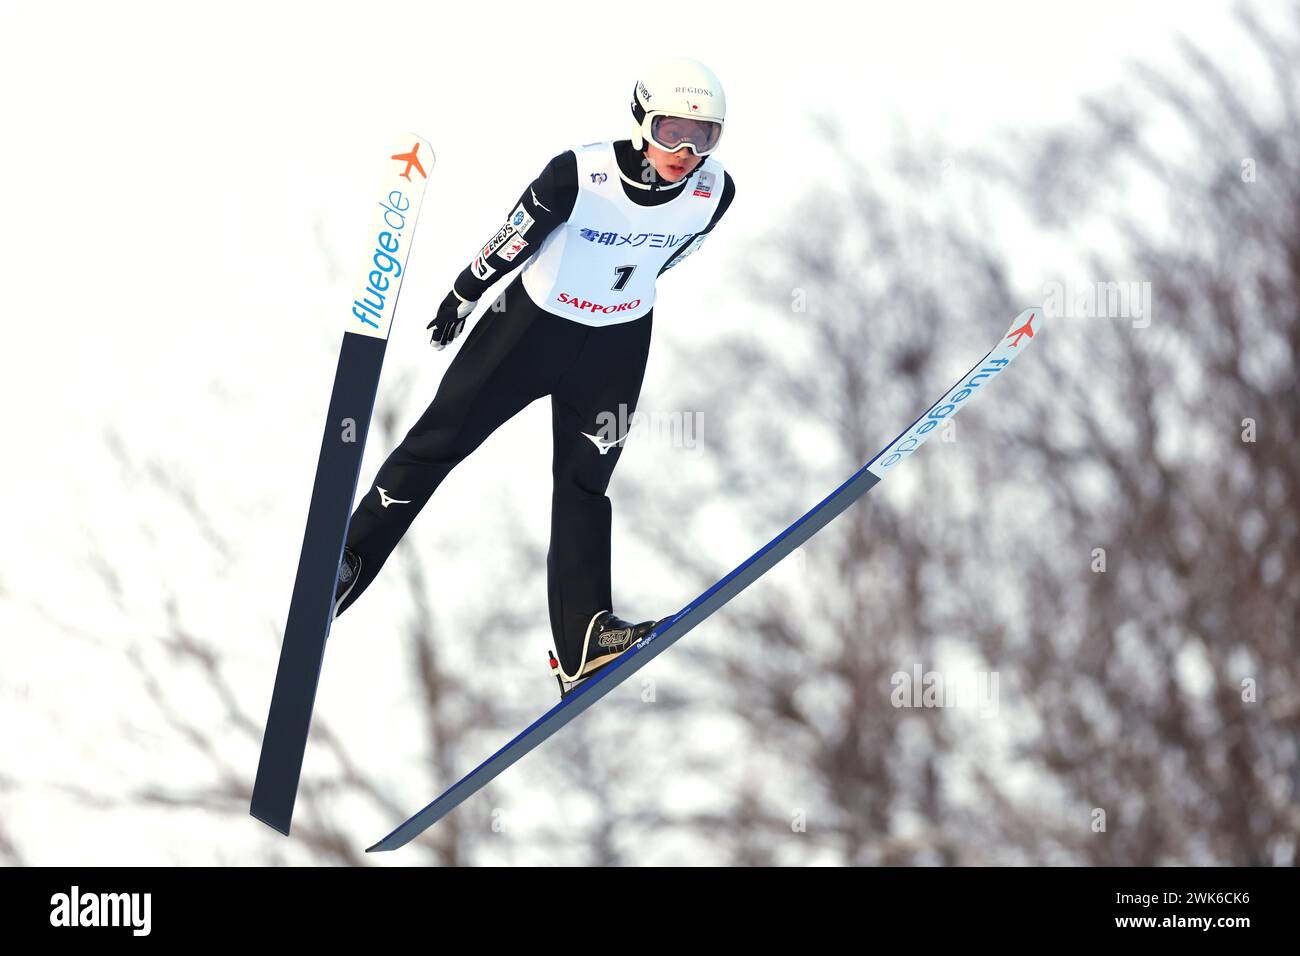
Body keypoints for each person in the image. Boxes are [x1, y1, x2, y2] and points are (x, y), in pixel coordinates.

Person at [334, 56, 736, 698]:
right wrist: (464, 295)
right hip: (528, 330)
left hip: (617, 346)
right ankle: (348, 560)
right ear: (641, 120)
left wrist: (612, 301)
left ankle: (583, 640)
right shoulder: (579, 174)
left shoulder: (715, 193)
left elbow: (668, 257)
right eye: (670, 131)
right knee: (440, 443)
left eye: (703, 136)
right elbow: (516, 235)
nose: (685, 150)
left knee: (584, 484)